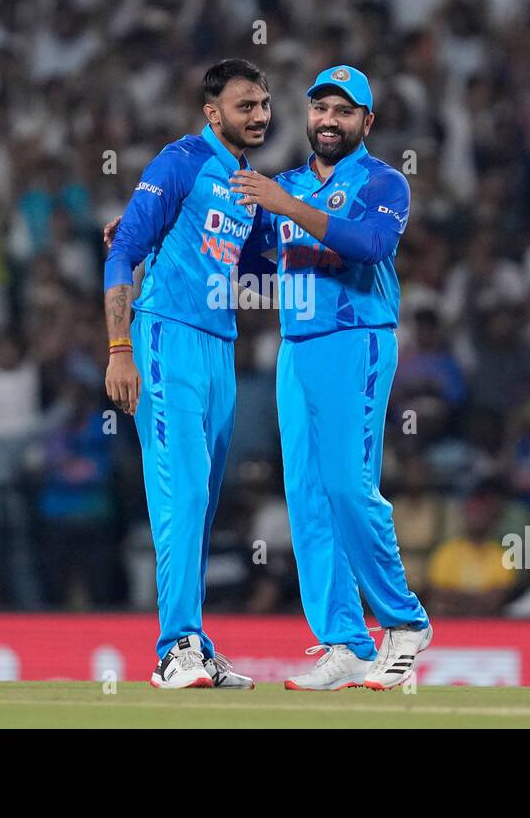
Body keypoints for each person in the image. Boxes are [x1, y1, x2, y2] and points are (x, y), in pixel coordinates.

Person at [229, 64, 432, 690]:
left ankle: (404, 622)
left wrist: (286, 206)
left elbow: (368, 246)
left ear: (366, 123)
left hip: (357, 341)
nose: (328, 120)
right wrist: (147, 242)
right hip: (297, 347)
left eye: (344, 111)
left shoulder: (383, 182)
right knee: (309, 501)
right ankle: (344, 640)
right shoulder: (284, 182)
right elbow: (237, 242)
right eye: (321, 108)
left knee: (349, 485)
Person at [103, 59, 272, 689]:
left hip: (219, 350)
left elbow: (260, 268)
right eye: (245, 105)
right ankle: (174, 649)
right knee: (185, 494)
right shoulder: (179, 161)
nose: (259, 115)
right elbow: (123, 252)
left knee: (201, 507)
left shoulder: (246, 183)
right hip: (164, 342)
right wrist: (120, 348)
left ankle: (195, 640)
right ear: (213, 113)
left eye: (263, 105)